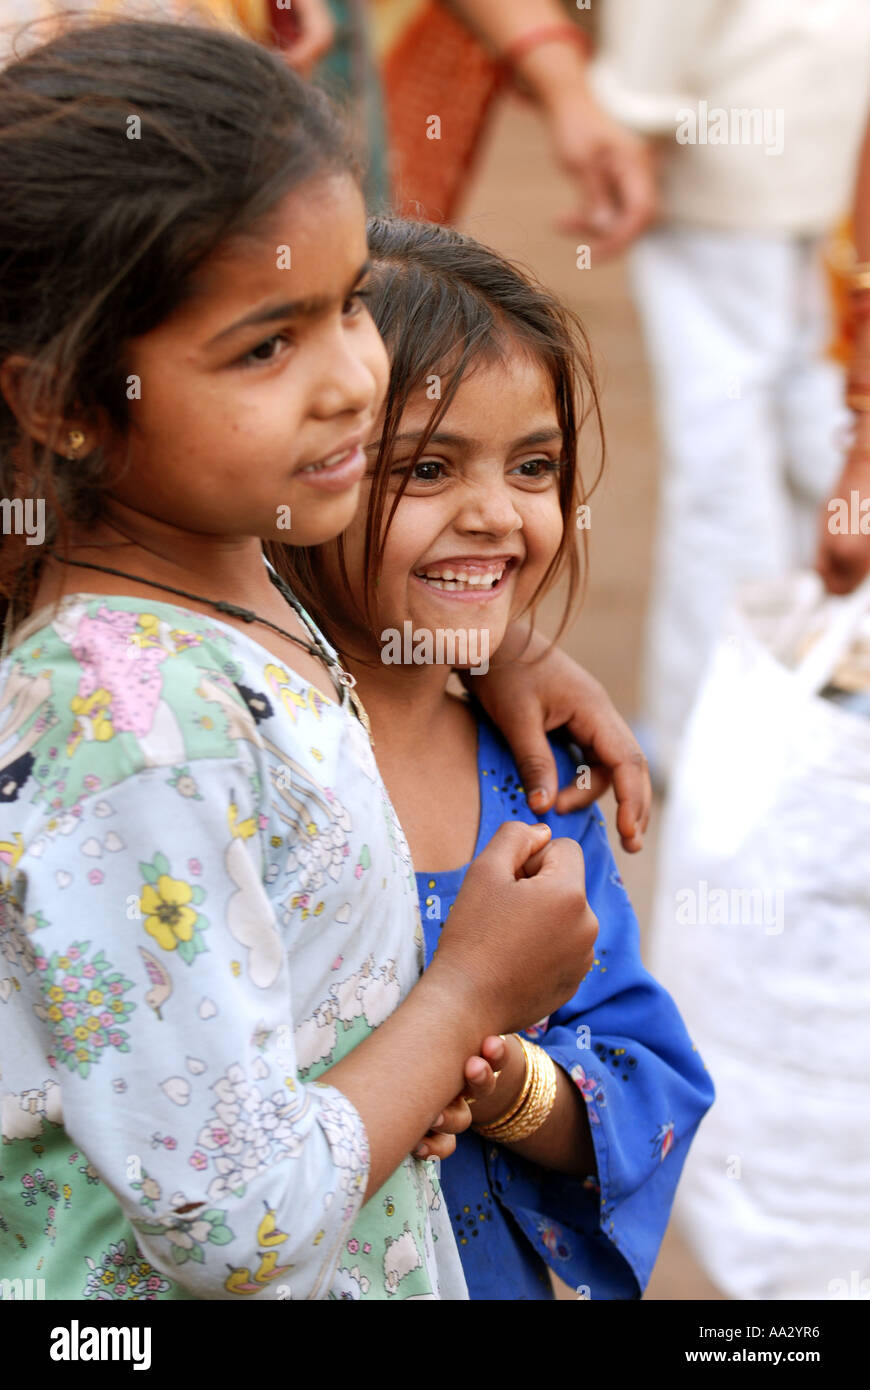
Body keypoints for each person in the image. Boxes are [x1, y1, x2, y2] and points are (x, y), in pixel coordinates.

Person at [0, 19, 653, 1300]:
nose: (355, 380)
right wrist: (466, 998)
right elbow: (233, 1226)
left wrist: (497, 641)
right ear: (65, 404)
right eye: (265, 345)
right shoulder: (129, 722)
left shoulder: (229, 568)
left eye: (348, 302)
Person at [279, 217, 714, 1299]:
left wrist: (513, 1084)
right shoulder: (237, 752)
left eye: (534, 466)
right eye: (428, 467)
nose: (496, 515)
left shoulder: (538, 779)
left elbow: (643, 1075)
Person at [583, 0, 870, 781]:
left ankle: (711, 730)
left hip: (727, 138)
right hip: (826, 119)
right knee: (818, 414)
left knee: (724, 454)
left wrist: (622, 122)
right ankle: (821, 700)